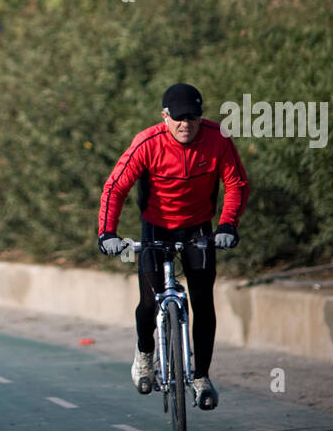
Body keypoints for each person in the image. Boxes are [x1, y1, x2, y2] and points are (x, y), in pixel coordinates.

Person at [97, 83, 249, 410]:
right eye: (179, 118)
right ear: (164, 117)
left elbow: (236, 183)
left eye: (193, 118)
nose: (186, 125)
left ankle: (201, 377)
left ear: (201, 117)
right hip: (156, 228)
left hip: (199, 229)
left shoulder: (217, 138)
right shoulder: (147, 143)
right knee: (149, 303)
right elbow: (115, 187)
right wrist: (107, 232)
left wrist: (227, 225)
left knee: (203, 304)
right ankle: (144, 353)